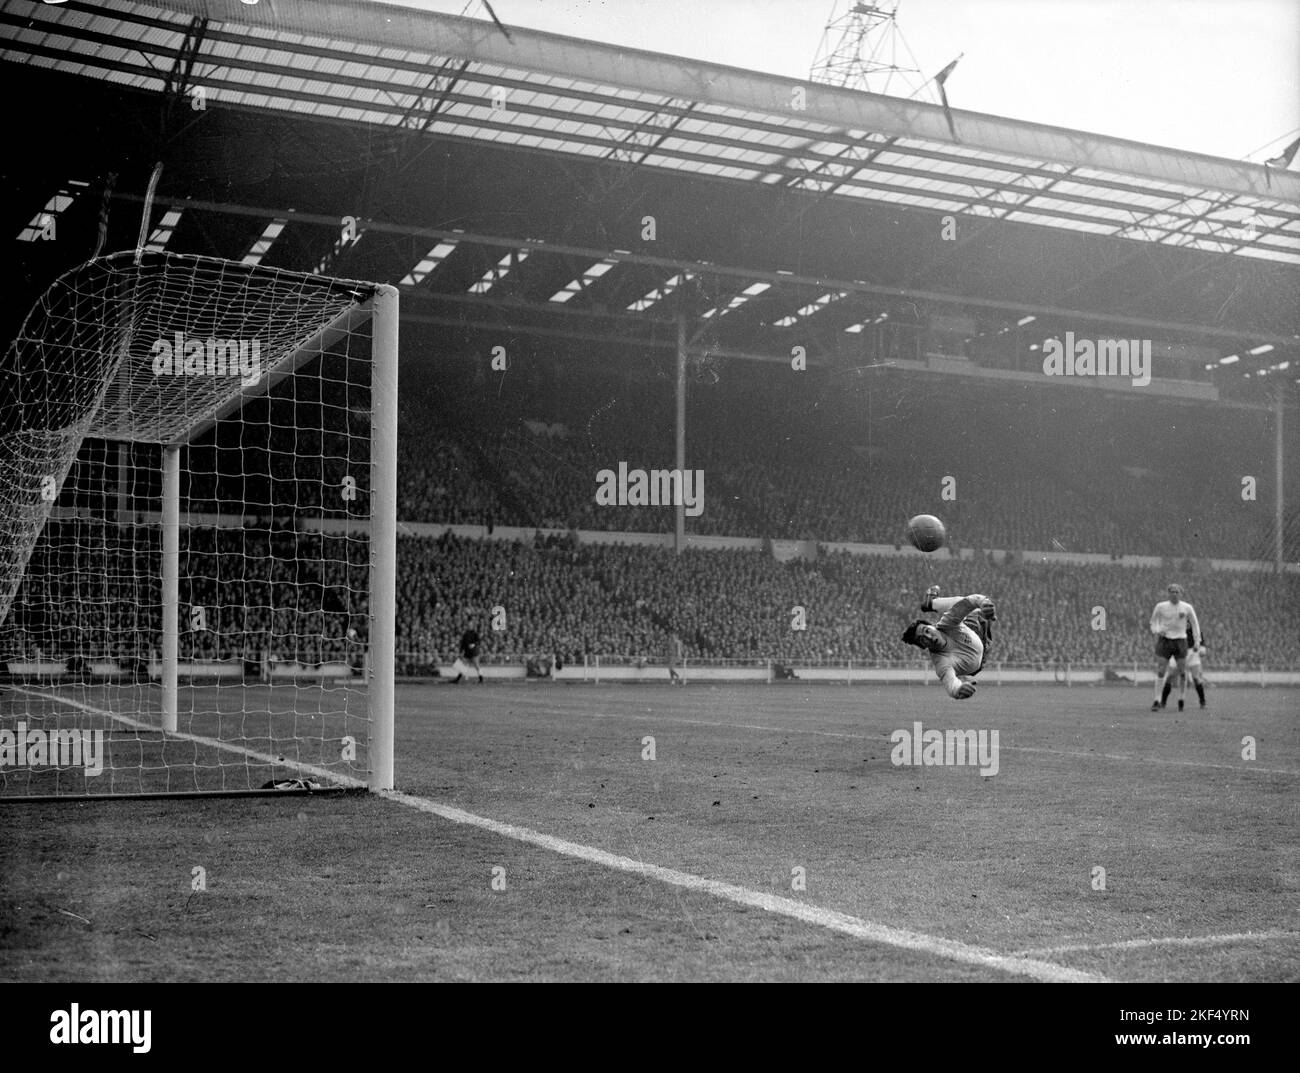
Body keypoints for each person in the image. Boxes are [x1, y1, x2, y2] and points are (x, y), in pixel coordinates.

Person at [900, 585, 997, 700]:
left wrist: (983, 602)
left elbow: (968, 602)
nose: (928, 636)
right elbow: (950, 684)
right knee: (980, 617)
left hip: (974, 630)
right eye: (922, 639)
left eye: (927, 630)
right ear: (923, 646)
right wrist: (958, 690)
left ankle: (932, 603)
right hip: (979, 661)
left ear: (933, 626)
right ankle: (963, 677)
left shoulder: (948, 623)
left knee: (968, 608)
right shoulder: (941, 663)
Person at [1149, 583, 1201, 711]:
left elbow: (1195, 624)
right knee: (1161, 670)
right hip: (1165, 640)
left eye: (1177, 592)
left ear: (1181, 593)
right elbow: (1153, 621)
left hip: (1180, 641)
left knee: (1182, 672)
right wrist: (1157, 630)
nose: (1174, 594)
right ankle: (1157, 700)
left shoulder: (1187, 607)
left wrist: (1197, 641)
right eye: (1172, 591)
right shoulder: (1161, 606)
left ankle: (1181, 699)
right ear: (1168, 593)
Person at [1163, 622, 1208, 711]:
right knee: (1170, 676)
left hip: (1192, 653)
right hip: (1178, 652)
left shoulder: (1196, 630)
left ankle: (1202, 701)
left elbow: (1201, 643)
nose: (1186, 623)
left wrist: (1202, 650)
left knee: (1196, 678)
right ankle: (1163, 701)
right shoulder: (1176, 629)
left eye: (1188, 622)